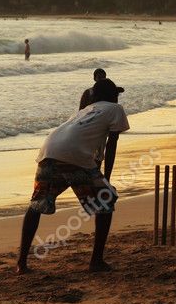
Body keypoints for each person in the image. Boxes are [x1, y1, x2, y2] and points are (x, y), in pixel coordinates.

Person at [16, 78, 129, 274]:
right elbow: (111, 145)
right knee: (106, 201)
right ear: (112, 96)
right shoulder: (114, 109)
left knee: (36, 205)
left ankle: (21, 264)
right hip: (74, 156)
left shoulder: (84, 110)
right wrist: (107, 179)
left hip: (48, 151)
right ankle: (96, 262)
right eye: (116, 95)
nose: (117, 98)